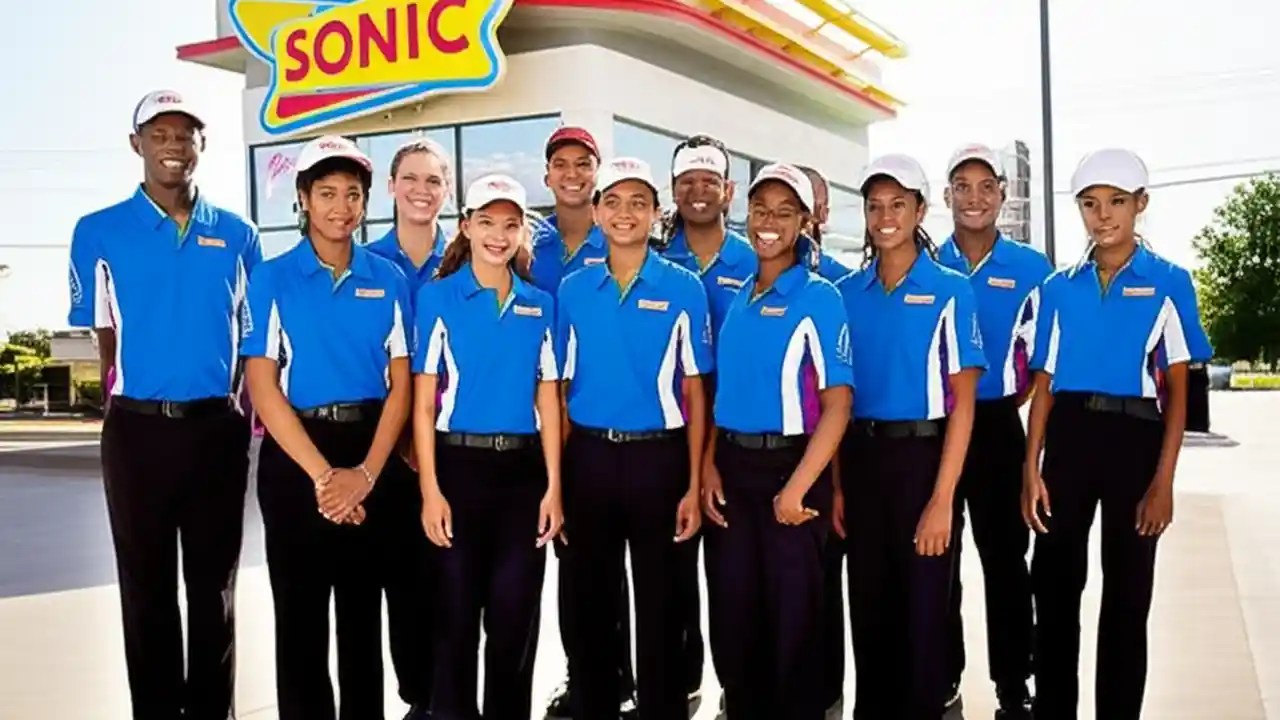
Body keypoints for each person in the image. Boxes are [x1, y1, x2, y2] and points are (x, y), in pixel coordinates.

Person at [67, 89, 259, 720]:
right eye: (160, 134)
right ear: (137, 145)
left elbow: (254, 336)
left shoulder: (237, 234)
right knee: (146, 591)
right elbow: (102, 333)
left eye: (185, 134)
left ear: (201, 145)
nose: (173, 145)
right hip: (137, 433)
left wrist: (236, 412)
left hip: (215, 432)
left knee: (214, 593)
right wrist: (123, 404)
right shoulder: (97, 232)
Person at [1022, 148, 1206, 720]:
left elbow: (1178, 393)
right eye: (1090, 204)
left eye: (1116, 203)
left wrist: (1164, 481)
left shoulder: (1170, 283)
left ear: (1140, 205)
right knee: (1053, 590)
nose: (1102, 216)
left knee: (1127, 600)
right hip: (1070, 442)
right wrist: (1031, 469)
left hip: (1136, 442)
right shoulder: (1059, 287)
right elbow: (1045, 382)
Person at [241, 135, 413, 720]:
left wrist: (364, 475)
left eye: (353, 194)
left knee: (362, 617)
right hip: (297, 461)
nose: (341, 206)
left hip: (371, 453)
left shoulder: (387, 278)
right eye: (327, 193)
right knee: (300, 619)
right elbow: (263, 386)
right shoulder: (271, 278)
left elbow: (402, 385)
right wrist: (324, 478)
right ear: (304, 199)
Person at [556, 157, 709, 720]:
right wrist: (560, 480)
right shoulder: (572, 291)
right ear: (596, 212)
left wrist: (694, 484)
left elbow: (695, 394)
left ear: (656, 214)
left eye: (638, 203)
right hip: (589, 459)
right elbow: (560, 388)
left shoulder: (684, 288)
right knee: (592, 605)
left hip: (660, 461)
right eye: (614, 202)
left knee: (662, 607)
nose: (625, 214)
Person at [835, 154, 986, 719]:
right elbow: (837, 403)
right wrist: (840, 488)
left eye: (898, 204)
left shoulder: (950, 289)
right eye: (874, 206)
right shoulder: (848, 292)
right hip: (862, 459)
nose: (885, 216)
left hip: (924, 460)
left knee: (924, 617)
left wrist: (943, 501)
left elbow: (963, 403)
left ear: (920, 210)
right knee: (869, 612)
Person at [703, 162, 853, 719]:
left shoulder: (819, 297)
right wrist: (712, 464)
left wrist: (798, 489)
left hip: (792, 470)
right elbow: (729, 391)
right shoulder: (740, 296)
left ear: (804, 223)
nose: (769, 223)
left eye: (784, 213)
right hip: (734, 471)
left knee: (795, 624)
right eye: (761, 210)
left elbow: (838, 406)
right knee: (737, 615)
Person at [413, 174, 564, 720]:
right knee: (454, 620)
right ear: (466, 227)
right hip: (457, 469)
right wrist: (429, 490)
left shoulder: (540, 305)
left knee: (513, 622)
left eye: (509, 225)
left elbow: (549, 401)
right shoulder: (437, 298)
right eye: (486, 223)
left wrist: (554, 488)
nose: (498, 236)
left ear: (522, 232)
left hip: (523, 477)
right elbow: (423, 404)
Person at [935, 143, 1052, 719]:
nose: (975, 197)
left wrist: (1010, 402)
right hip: (935, 431)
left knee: (1007, 562)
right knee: (939, 558)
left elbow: (1043, 359)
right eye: (963, 186)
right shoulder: (925, 259)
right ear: (947, 194)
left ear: (1003, 195)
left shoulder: (1033, 269)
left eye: (987, 186)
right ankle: (944, 677)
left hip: (997, 428)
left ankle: (1013, 683)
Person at [534, 127, 639, 720]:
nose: (572, 173)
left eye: (584, 164)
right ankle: (587, 678)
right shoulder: (528, 245)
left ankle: (631, 678)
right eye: (561, 164)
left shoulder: (623, 237)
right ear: (547, 175)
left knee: (635, 570)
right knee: (576, 566)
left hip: (616, 424)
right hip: (551, 430)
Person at [653, 133, 757, 713]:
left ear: (728, 191)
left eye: (709, 181)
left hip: (735, 438)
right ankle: (680, 682)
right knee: (670, 574)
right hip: (670, 437)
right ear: (673, 191)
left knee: (730, 578)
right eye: (687, 181)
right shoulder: (654, 258)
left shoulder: (756, 258)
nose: (698, 191)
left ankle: (734, 689)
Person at [365, 137, 454, 720]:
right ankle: (417, 696)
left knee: (453, 580)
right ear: (392, 189)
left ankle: (449, 696)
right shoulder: (368, 261)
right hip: (390, 442)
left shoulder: (471, 256)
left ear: (447, 193)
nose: (422, 190)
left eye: (434, 181)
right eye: (412, 179)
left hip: (456, 441)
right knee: (402, 580)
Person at [793, 163, 852, 719]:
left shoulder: (837, 281)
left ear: (820, 214)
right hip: (776, 454)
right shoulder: (749, 282)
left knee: (824, 583)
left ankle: (826, 694)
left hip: (831, 449)